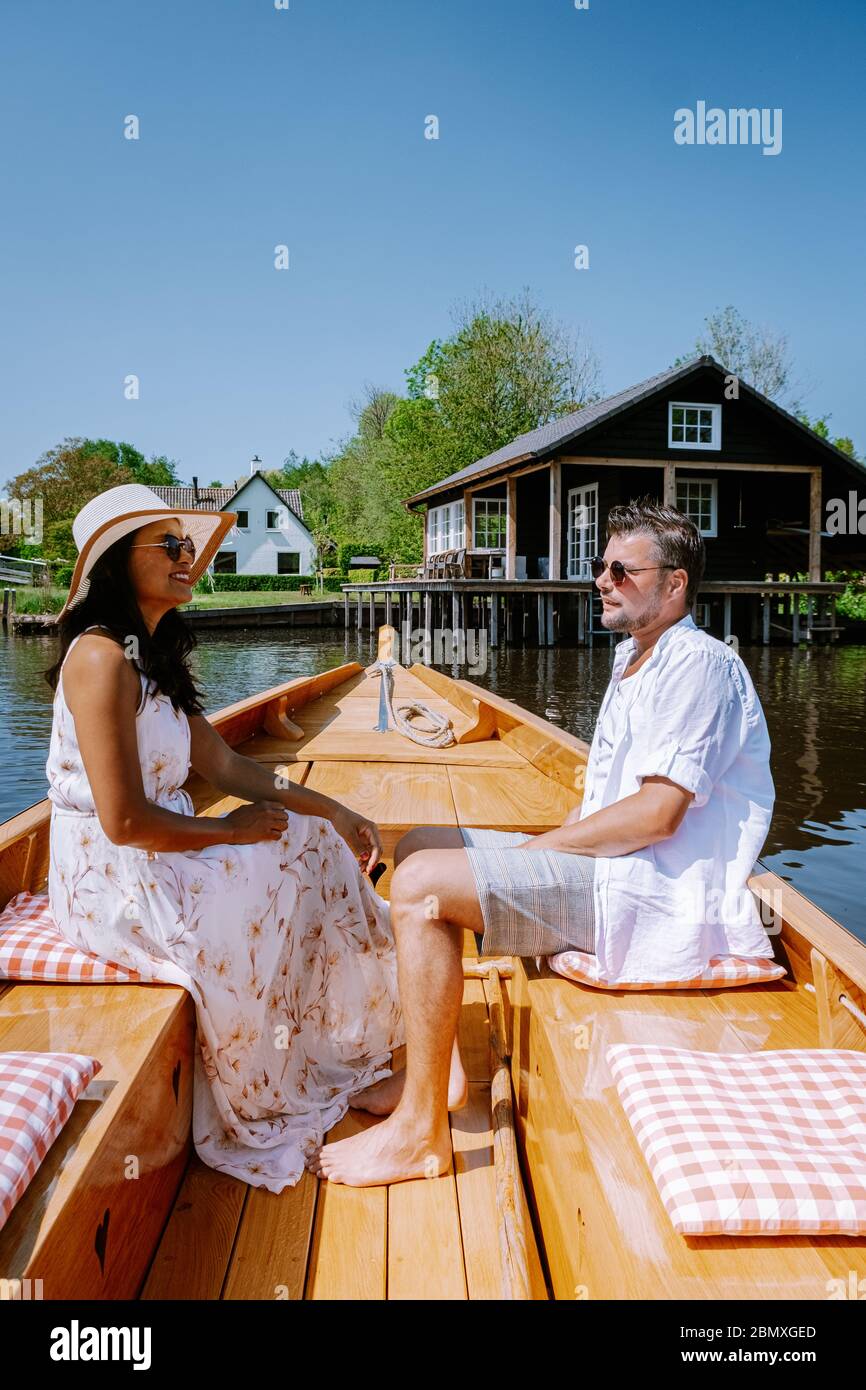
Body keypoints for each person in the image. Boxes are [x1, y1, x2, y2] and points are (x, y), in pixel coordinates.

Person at [313, 499, 776, 1186]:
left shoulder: (699, 666)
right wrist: (536, 851)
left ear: (675, 583)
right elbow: (613, 801)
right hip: (610, 871)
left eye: (622, 570)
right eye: (601, 566)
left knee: (420, 885)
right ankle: (438, 1073)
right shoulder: (635, 658)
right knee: (420, 843)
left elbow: (657, 816)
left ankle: (419, 1135)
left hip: (649, 892)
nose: (602, 580)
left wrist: (538, 852)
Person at [45, 483, 416, 1191]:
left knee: (310, 839)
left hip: (162, 853)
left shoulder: (149, 657)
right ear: (118, 561)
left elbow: (224, 765)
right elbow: (123, 822)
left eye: (188, 544)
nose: (187, 555)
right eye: (169, 544)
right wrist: (228, 833)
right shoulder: (99, 658)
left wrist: (334, 810)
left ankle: (382, 1040)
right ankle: (348, 1051)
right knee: (284, 868)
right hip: (116, 880)